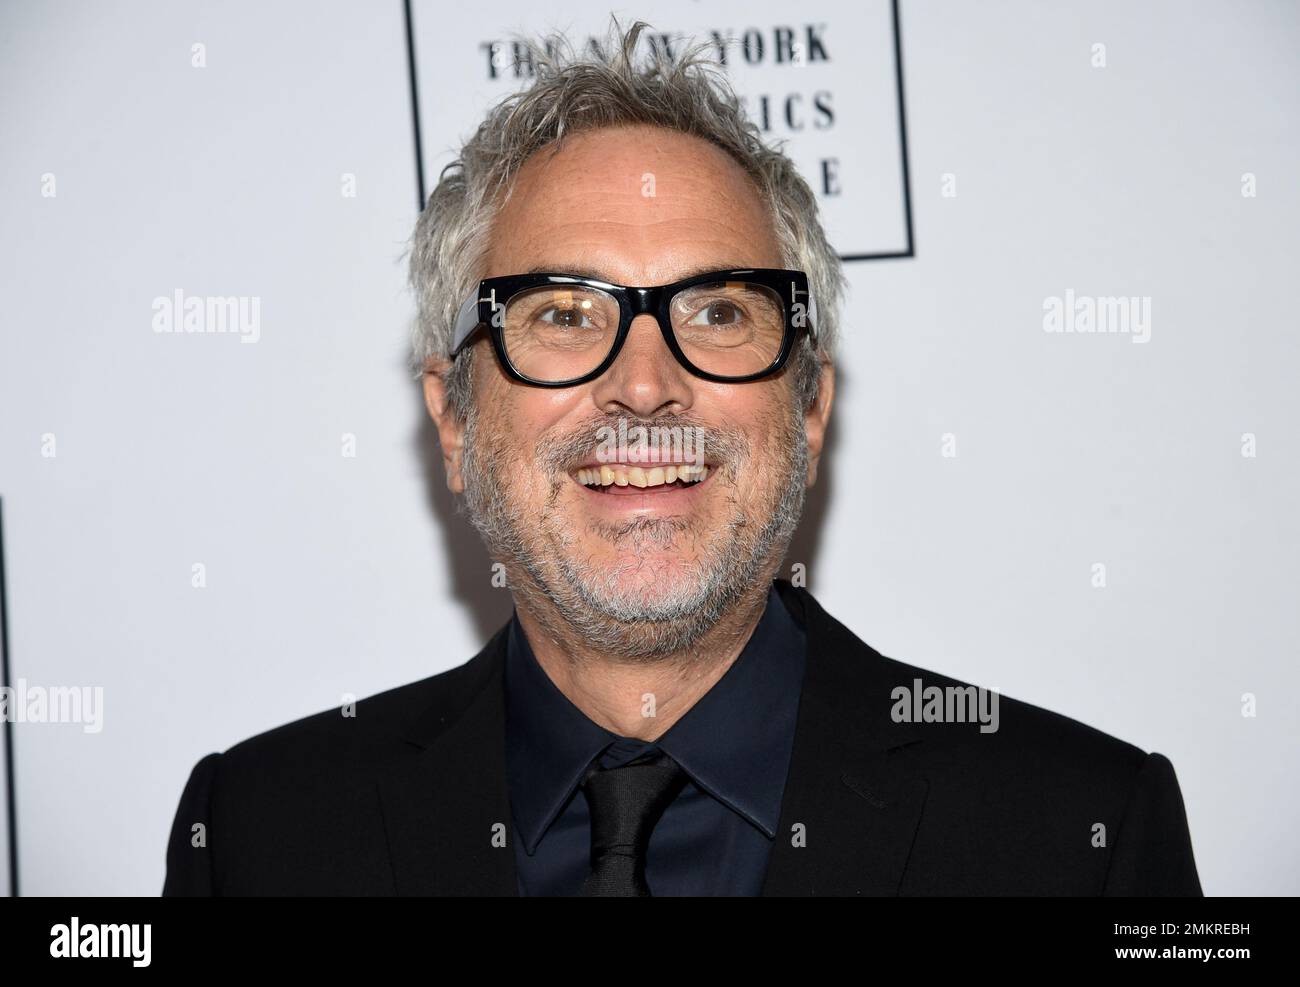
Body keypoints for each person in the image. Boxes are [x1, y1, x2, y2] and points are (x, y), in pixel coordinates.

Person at [163, 19, 1201, 896]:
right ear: (454, 421)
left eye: (717, 311)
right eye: (564, 313)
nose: (645, 383)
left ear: (809, 408)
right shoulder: (258, 837)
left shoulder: (1080, 835)